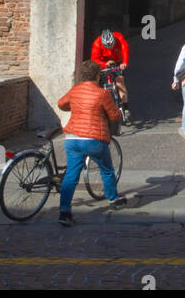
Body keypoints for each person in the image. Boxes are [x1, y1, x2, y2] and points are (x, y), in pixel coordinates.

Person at [56, 60, 131, 225]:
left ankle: (64, 212)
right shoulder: (102, 94)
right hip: (94, 138)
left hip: (73, 138)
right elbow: (114, 115)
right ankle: (113, 198)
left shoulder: (75, 90)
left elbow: (61, 103)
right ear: (98, 76)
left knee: (71, 176)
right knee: (106, 169)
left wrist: (75, 106)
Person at [90, 28, 131, 124]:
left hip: (117, 61)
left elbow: (125, 49)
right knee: (96, 83)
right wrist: (104, 64)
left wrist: (124, 62)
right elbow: (94, 58)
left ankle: (125, 108)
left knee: (120, 83)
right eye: (107, 47)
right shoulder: (97, 43)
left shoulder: (119, 37)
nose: (110, 49)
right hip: (103, 62)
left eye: (112, 46)